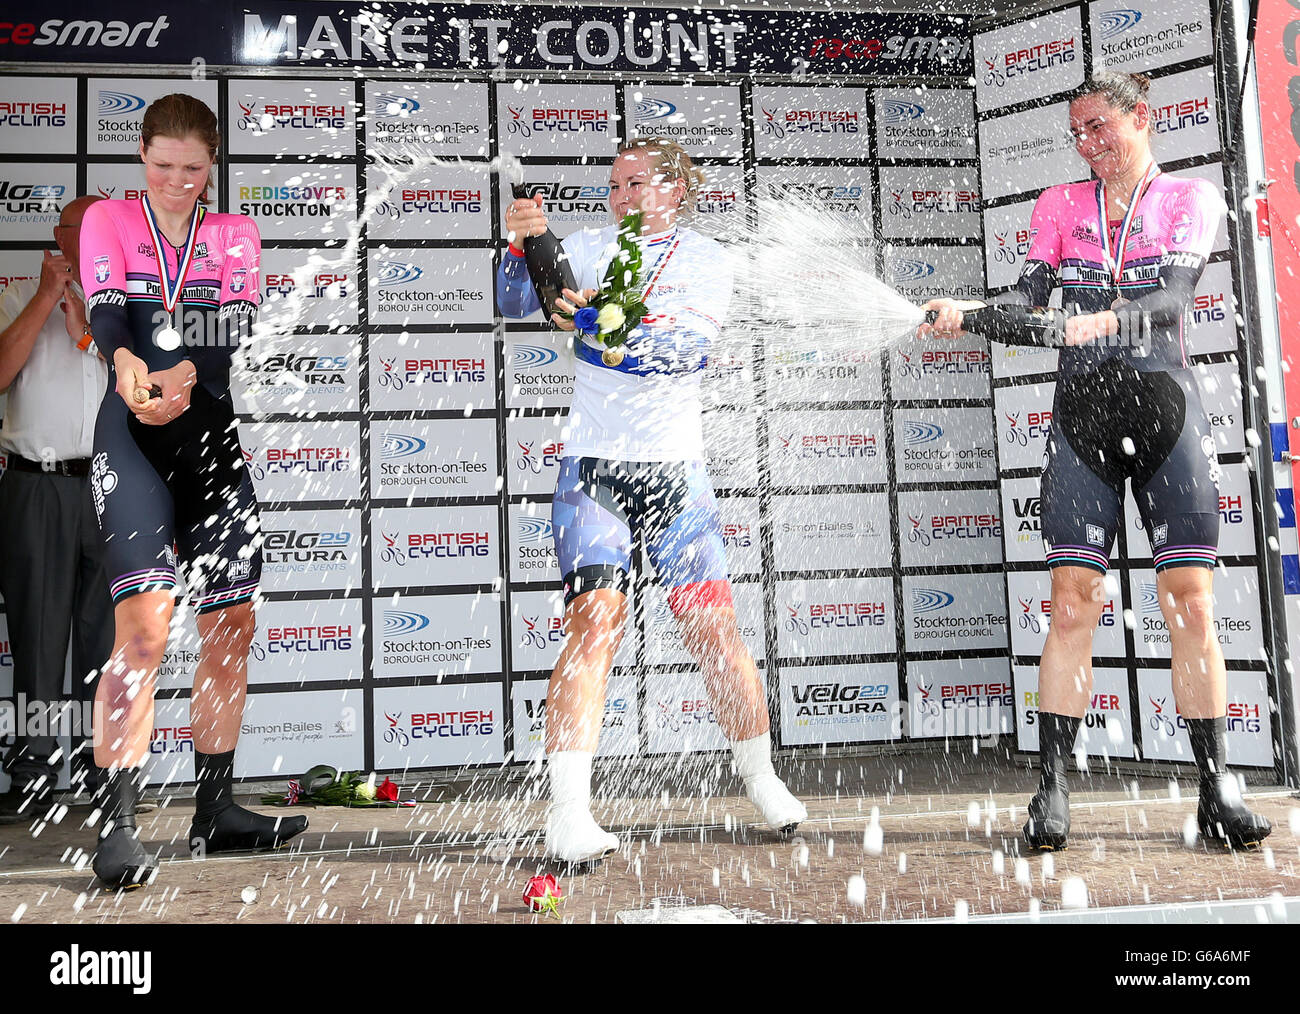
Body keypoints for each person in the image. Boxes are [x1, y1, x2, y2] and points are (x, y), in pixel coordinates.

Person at [921, 72, 1270, 851]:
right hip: (1082, 418)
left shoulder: (1189, 198)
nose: (1088, 144)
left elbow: (1173, 302)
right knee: (1072, 602)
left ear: (1141, 117)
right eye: (1077, 132)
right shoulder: (1059, 206)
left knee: (1190, 603)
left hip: (1166, 416)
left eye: (1100, 127)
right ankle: (1052, 791)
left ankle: (1216, 790)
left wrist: (1107, 319)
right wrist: (971, 316)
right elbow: (1025, 303)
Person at [497, 137, 806, 863]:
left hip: (676, 476)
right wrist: (521, 246)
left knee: (711, 629)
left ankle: (760, 779)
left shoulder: (706, 259)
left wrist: (601, 334)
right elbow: (517, 304)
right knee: (593, 625)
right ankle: (568, 813)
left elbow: (682, 353)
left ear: (675, 189)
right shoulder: (584, 244)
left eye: (637, 184)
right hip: (592, 470)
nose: (622, 196)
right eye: (614, 185)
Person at [79, 93, 307, 888]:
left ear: (214, 166)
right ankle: (118, 825)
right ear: (141, 156)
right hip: (132, 435)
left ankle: (215, 811)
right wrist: (132, 369)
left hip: (207, 434)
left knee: (233, 622)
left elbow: (231, 334)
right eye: (163, 165)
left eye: (194, 169)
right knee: (141, 630)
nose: (178, 182)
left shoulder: (233, 233)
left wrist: (180, 373)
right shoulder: (107, 219)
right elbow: (109, 316)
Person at [0, 196, 113, 824]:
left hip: (108, 485)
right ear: (59, 235)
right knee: (39, 638)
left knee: (106, 643)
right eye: (81, 228)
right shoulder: (17, 292)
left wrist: (85, 326)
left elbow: (152, 386)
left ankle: (107, 772)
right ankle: (36, 772)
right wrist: (47, 299)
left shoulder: (132, 300)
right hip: (35, 484)